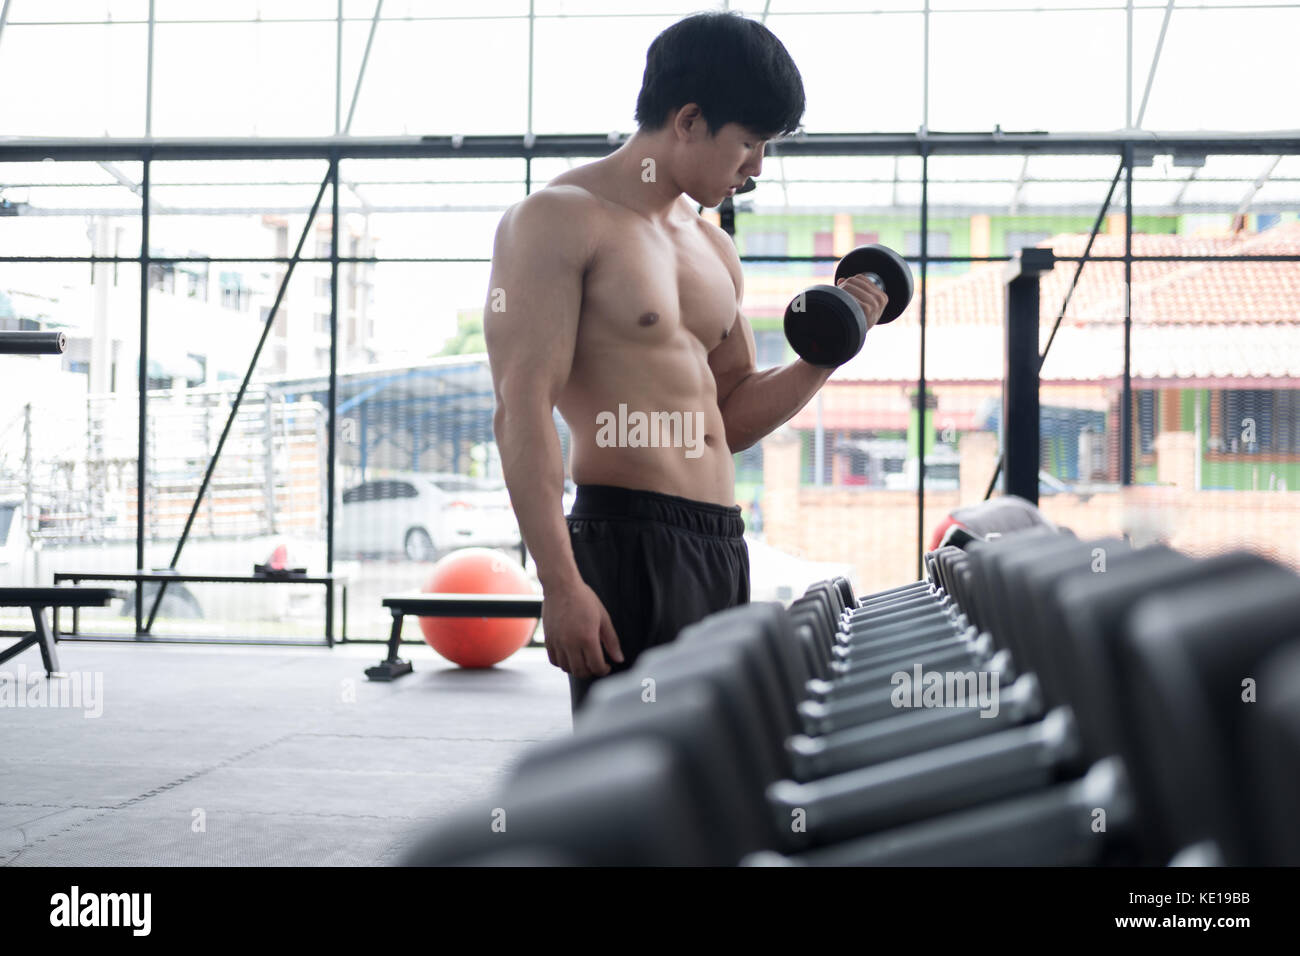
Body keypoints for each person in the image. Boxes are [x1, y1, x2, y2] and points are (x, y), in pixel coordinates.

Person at [485, 11, 886, 714]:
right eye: (750, 144)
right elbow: (522, 411)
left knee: (714, 777)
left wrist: (825, 355)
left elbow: (728, 416)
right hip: (624, 540)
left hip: (718, 540)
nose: (757, 167)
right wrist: (561, 583)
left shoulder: (714, 249)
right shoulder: (556, 221)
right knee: (635, 788)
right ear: (691, 120)